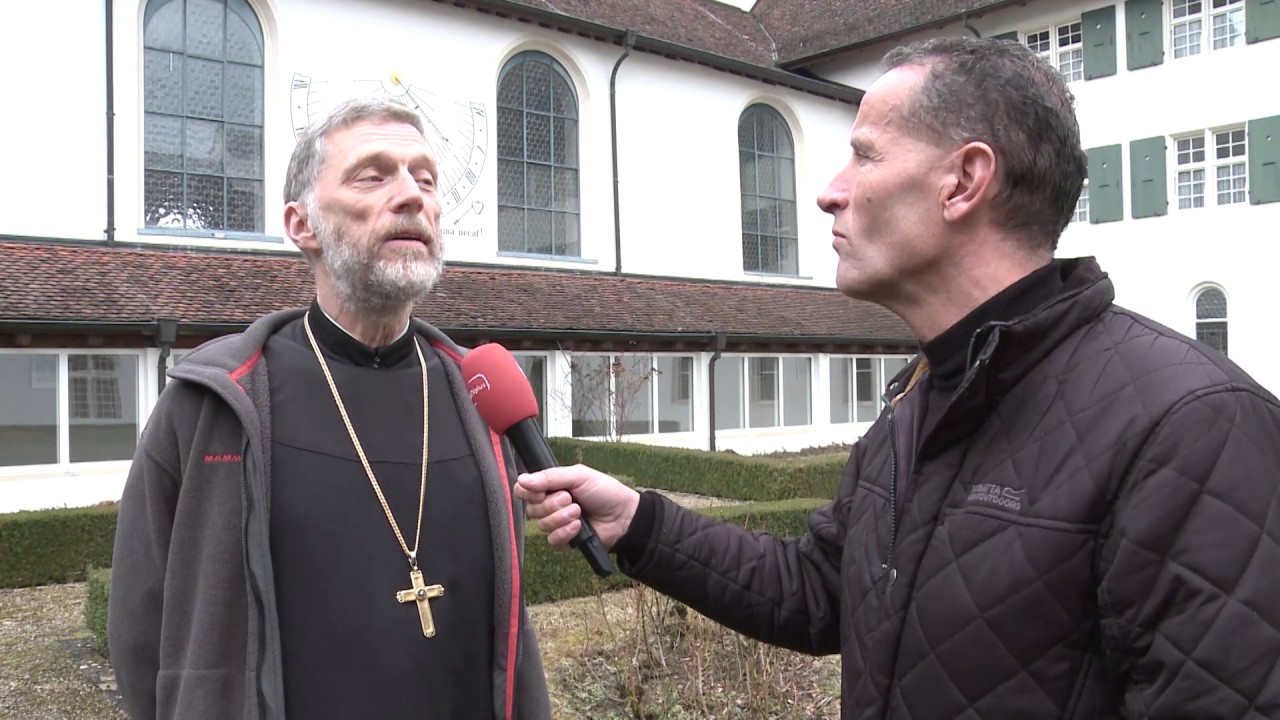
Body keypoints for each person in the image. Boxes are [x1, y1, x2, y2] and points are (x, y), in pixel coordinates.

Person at [517, 36, 1280, 718]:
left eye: (866, 154)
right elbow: (824, 592)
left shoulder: (1192, 425)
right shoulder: (922, 398)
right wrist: (642, 525)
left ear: (963, 182)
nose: (828, 191)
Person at [109, 97, 551, 720]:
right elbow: (140, 631)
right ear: (302, 224)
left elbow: (507, 627)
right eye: (373, 175)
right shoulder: (211, 403)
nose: (411, 196)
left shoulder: (477, 397)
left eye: (425, 178)